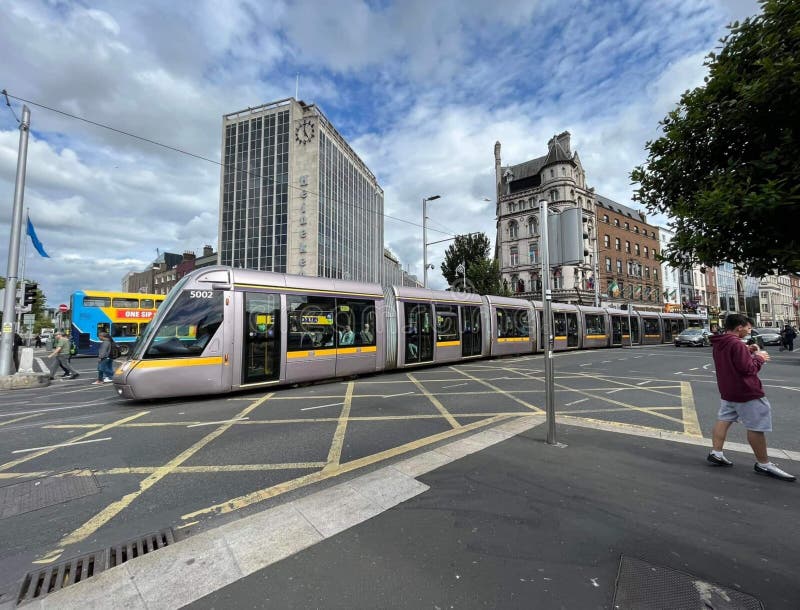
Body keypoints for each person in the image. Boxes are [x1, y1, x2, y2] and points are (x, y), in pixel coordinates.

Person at [707, 314, 795, 482]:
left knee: (724, 419)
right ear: (739, 327)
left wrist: (747, 351)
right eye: (747, 328)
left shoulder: (720, 342)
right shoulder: (736, 344)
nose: (749, 331)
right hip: (746, 392)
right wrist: (759, 358)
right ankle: (763, 463)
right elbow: (747, 369)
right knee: (757, 427)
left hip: (728, 391)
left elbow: (730, 359)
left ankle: (716, 453)